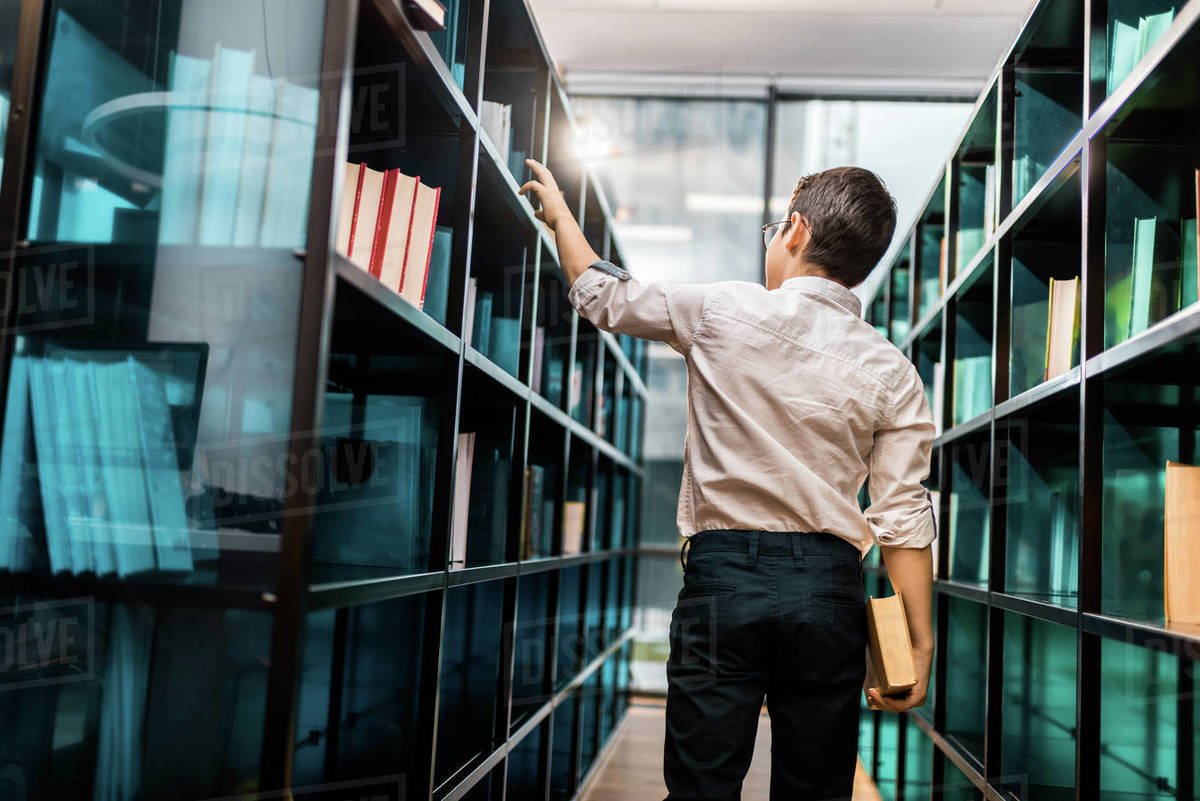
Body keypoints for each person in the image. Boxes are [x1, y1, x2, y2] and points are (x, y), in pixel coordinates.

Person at [519, 159, 936, 801]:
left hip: (724, 583)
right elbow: (902, 516)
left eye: (775, 227)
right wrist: (919, 641)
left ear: (794, 231)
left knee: (701, 788)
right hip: (828, 597)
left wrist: (561, 219)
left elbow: (602, 294)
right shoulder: (893, 370)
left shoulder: (720, 310)